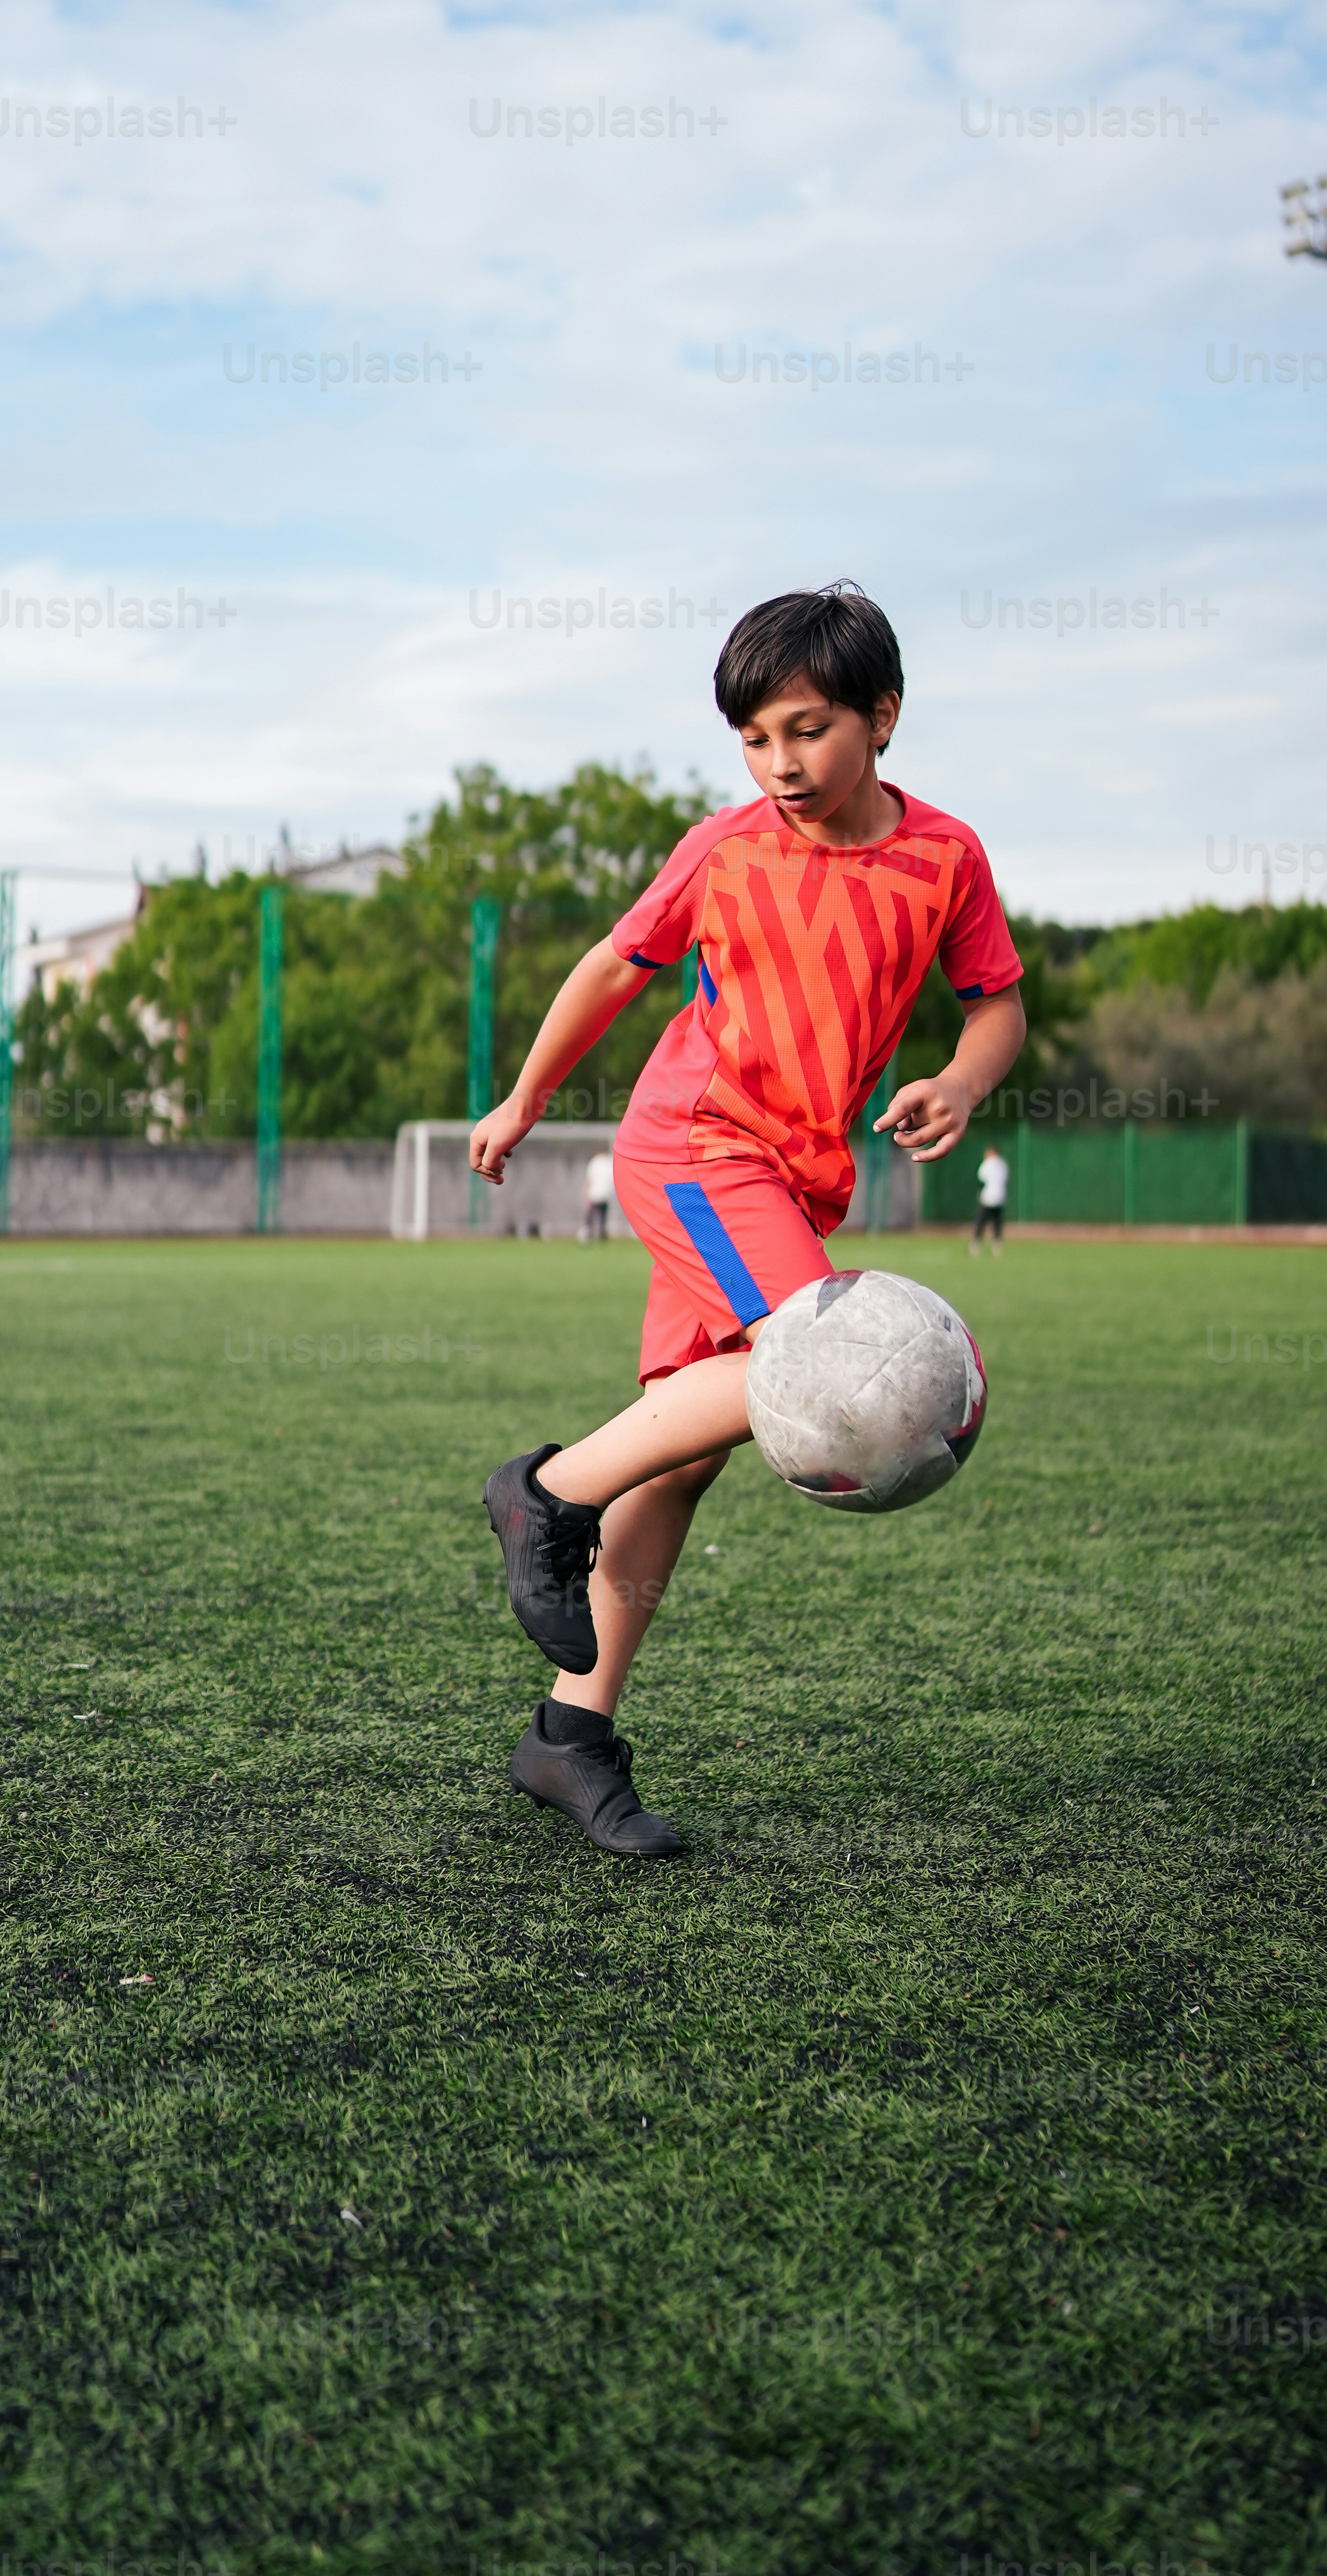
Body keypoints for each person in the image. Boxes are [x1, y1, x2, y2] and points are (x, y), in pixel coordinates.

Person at [467, 584, 1026, 1857]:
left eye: (808, 729)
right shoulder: (724, 851)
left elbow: (996, 1001)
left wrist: (963, 1078)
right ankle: (544, 1493)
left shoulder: (946, 858)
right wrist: (524, 1096)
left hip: (794, 1175)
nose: (781, 763)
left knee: (684, 1457)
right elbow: (616, 965)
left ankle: (570, 1737)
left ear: (882, 718)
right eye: (757, 739)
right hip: (695, 1146)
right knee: (815, 1365)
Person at [969, 1142, 1009, 1254]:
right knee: (997, 1222)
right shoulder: (1003, 1164)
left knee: (981, 1221)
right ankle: (997, 1246)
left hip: (988, 1197)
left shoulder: (987, 1164)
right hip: (1000, 1197)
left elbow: (981, 1180)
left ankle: (976, 1244)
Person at [580, 1145, 617, 1243]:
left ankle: (588, 1234)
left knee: (590, 1216)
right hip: (606, 1195)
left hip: (595, 1194)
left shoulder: (595, 1162)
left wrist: (585, 1191)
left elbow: (590, 1179)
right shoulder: (609, 1162)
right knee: (602, 1216)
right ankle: (601, 1235)